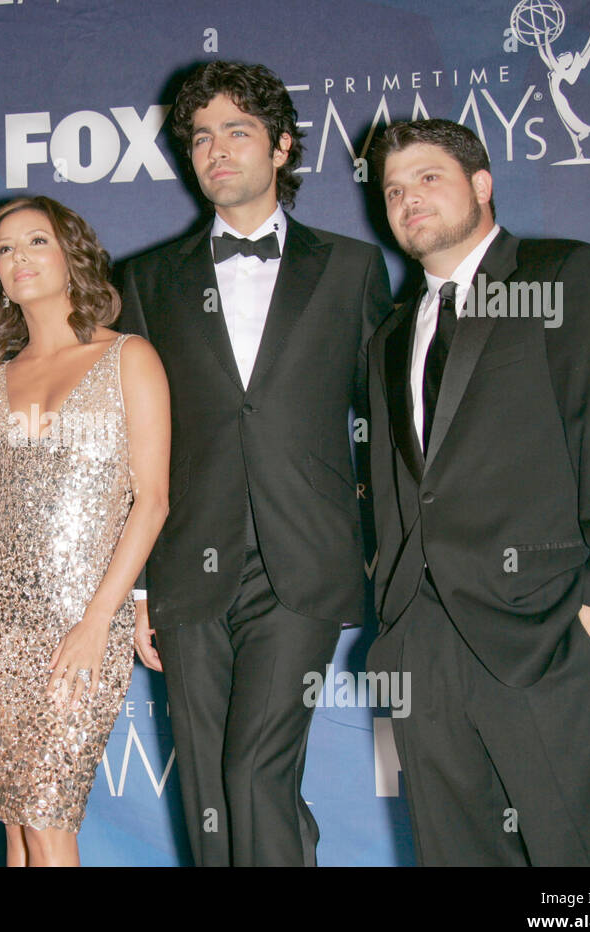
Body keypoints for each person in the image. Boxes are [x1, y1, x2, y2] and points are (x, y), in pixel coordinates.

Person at [366, 118, 590, 865]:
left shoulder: (565, 276)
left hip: (550, 627)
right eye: (393, 189)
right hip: (425, 645)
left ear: (482, 184)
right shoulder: (391, 337)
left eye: (428, 178)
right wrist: (395, 622)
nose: (409, 200)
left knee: (586, 868)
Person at [118, 61, 393, 866]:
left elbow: (386, 417)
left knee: (254, 769)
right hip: (186, 570)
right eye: (201, 137)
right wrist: (137, 586)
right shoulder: (147, 280)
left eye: (237, 131)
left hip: (302, 565)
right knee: (208, 786)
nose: (216, 151)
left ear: (282, 148)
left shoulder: (351, 269)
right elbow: (134, 445)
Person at [0, 196, 169, 866]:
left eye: (36, 242)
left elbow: (153, 501)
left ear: (71, 254)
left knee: (47, 812)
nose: (19, 259)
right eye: (5, 249)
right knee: (17, 821)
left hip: (84, 618)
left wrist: (99, 618)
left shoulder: (128, 357)